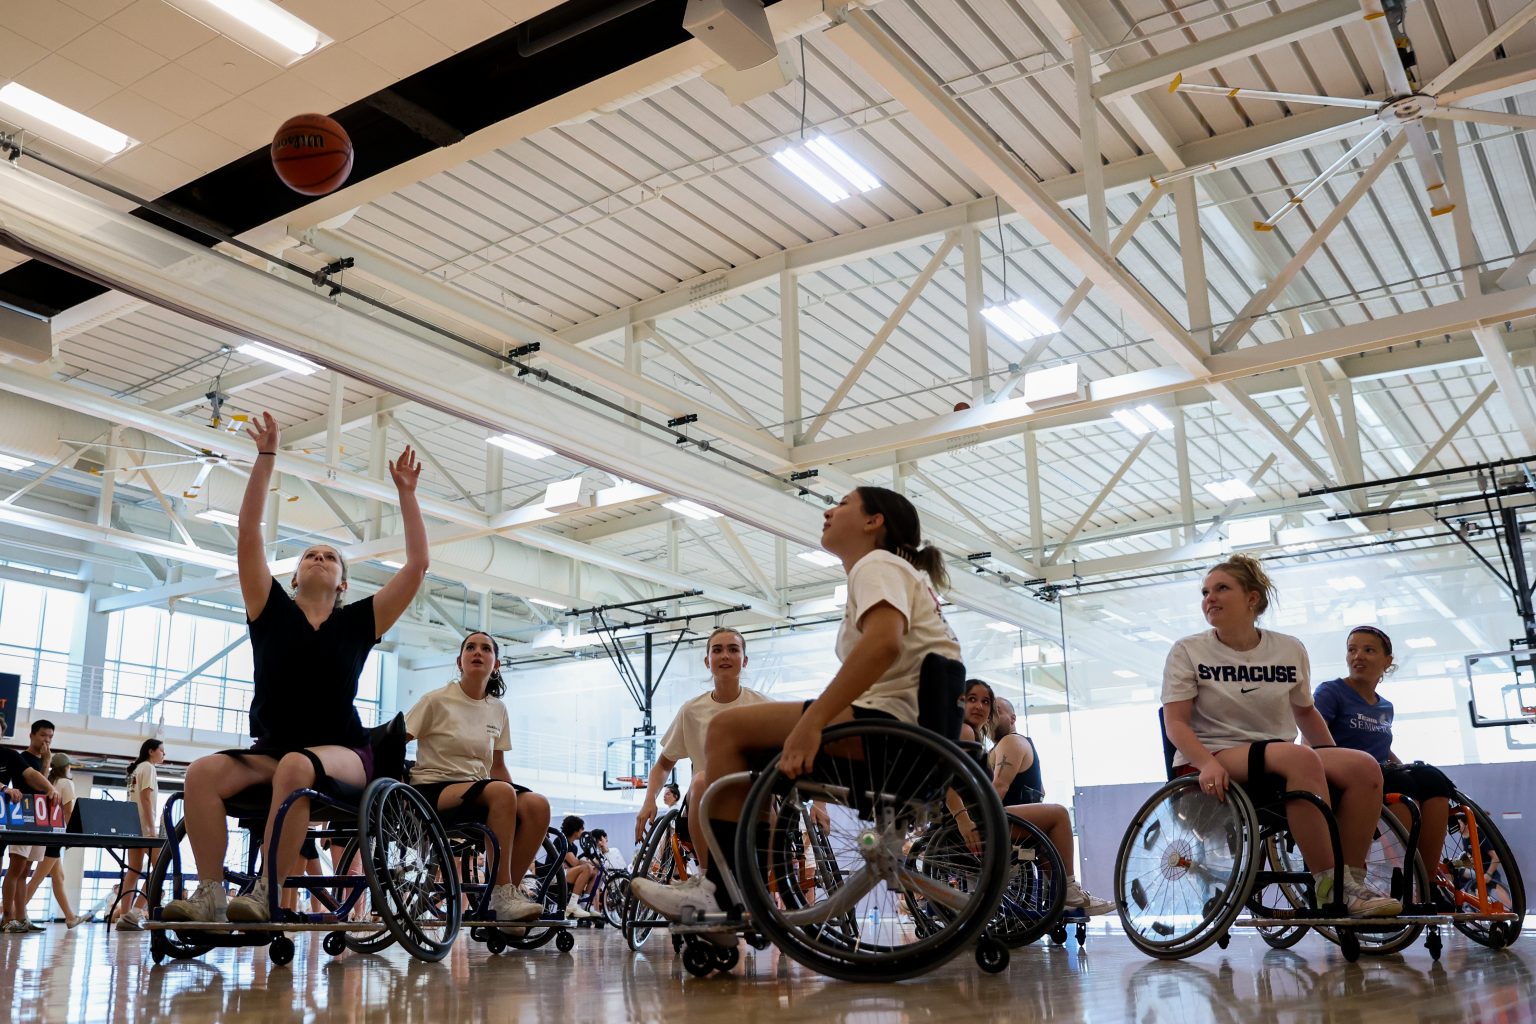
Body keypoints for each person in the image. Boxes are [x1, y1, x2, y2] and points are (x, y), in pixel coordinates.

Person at [631, 486, 961, 925]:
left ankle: (723, 894)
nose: (828, 510)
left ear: (873, 521)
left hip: (889, 734)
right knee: (729, 754)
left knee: (726, 730)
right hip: (910, 739)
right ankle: (734, 891)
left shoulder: (876, 564)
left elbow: (884, 642)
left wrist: (814, 723)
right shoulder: (898, 572)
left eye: (842, 504)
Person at [163, 413, 427, 924]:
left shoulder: (358, 621)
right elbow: (247, 532)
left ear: (343, 583)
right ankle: (210, 892)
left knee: (297, 766)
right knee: (202, 773)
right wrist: (265, 459)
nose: (320, 558)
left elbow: (416, 567)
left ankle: (267, 890)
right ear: (297, 574)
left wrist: (407, 495)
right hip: (274, 748)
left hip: (343, 751)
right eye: (311, 554)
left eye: (331, 556)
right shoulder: (270, 610)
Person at [1161, 554, 1400, 917]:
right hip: (1212, 757)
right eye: (1205, 591)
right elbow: (1175, 722)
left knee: (1363, 766)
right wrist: (1206, 763)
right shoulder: (1188, 650)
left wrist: (1333, 765)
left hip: (1276, 757)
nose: (1209, 598)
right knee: (1298, 756)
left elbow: (1305, 712)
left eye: (1221, 588)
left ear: (1252, 598)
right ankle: (1327, 886)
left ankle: (1351, 880)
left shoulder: (1289, 648)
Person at [405, 631, 550, 923]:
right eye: (470, 648)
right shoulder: (435, 700)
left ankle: (503, 896)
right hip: (433, 788)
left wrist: (515, 805)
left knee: (537, 805)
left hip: (480, 787)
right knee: (500, 792)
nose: (477, 652)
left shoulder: (497, 709)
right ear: (460, 661)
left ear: (496, 664)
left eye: (486, 649)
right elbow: (395, 741)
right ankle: (503, 894)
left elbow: (497, 766)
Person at [1313, 626, 1457, 898]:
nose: (1358, 656)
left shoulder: (1385, 706)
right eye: (1352, 649)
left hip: (1381, 770)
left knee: (1433, 781)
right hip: (1347, 775)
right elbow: (1311, 741)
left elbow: (1384, 747)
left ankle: (1427, 882)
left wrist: (1410, 768)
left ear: (1387, 661)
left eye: (1368, 650)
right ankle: (1404, 875)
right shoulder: (1331, 692)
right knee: (1402, 783)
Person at [962, 682, 1112, 916]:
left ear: (1012, 718)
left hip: (995, 816)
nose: (989, 714)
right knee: (1058, 815)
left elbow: (1000, 787)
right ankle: (1066, 891)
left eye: (994, 709)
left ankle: (1065, 891)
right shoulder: (999, 744)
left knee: (1052, 822)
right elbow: (1032, 790)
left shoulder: (1010, 741)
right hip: (991, 818)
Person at [633, 627, 769, 871]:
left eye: (733, 649)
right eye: (717, 650)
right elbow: (663, 764)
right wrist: (649, 800)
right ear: (708, 661)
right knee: (698, 782)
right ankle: (708, 879)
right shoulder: (691, 711)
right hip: (706, 800)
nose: (725, 655)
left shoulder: (763, 706)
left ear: (744, 660)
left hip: (753, 795)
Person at [2, 719, 56, 933]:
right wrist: (46, 762)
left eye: (50, 736)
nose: (47, 740)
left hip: (39, 819)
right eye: (43, 735)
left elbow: (44, 788)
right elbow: (33, 784)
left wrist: (46, 761)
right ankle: (8, 916)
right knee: (16, 867)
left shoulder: (41, 759)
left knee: (26, 870)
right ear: (32, 735)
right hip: (22, 816)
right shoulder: (21, 758)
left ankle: (22, 917)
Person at [22, 752, 87, 928]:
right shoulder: (67, 783)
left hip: (44, 831)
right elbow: (68, 812)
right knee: (37, 879)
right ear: (67, 767)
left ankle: (70, 917)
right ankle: (12, 913)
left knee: (59, 876)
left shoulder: (48, 782)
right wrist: (69, 837)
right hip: (56, 834)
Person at [114, 738, 165, 930]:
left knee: (133, 871)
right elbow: (145, 798)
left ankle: (124, 916)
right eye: (162, 751)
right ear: (151, 751)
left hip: (131, 825)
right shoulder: (149, 768)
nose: (164, 754)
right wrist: (152, 829)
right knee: (159, 869)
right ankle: (135, 913)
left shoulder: (136, 769)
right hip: (144, 826)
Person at [559, 815, 596, 920]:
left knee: (594, 871)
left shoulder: (574, 847)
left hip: (566, 872)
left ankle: (584, 902)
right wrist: (587, 864)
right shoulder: (561, 841)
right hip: (556, 875)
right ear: (575, 830)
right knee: (588, 868)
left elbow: (573, 864)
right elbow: (574, 863)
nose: (583, 831)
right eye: (581, 828)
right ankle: (572, 904)